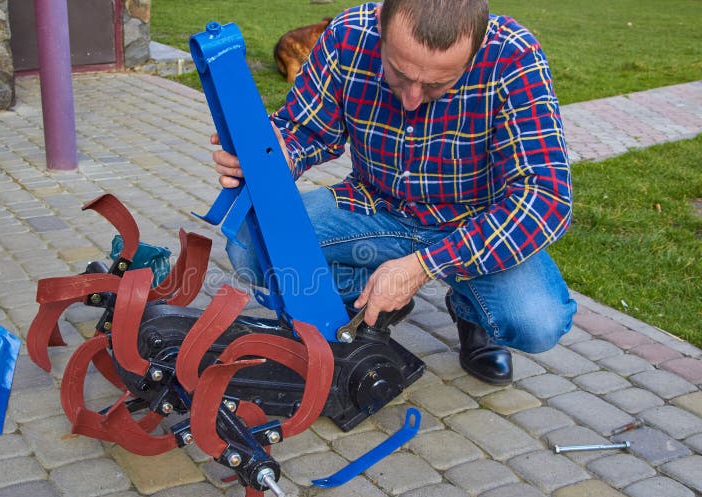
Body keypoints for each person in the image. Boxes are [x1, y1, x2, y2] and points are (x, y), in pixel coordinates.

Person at [211, 0, 577, 385]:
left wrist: (422, 267)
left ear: (474, 52)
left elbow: (545, 198)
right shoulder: (347, 35)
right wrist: (278, 155)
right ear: (382, 28)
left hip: (472, 224)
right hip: (373, 207)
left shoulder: (514, 56)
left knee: (539, 321)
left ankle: (470, 312)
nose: (412, 98)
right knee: (250, 247)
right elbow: (305, 130)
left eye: (437, 84)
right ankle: (368, 301)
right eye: (399, 74)